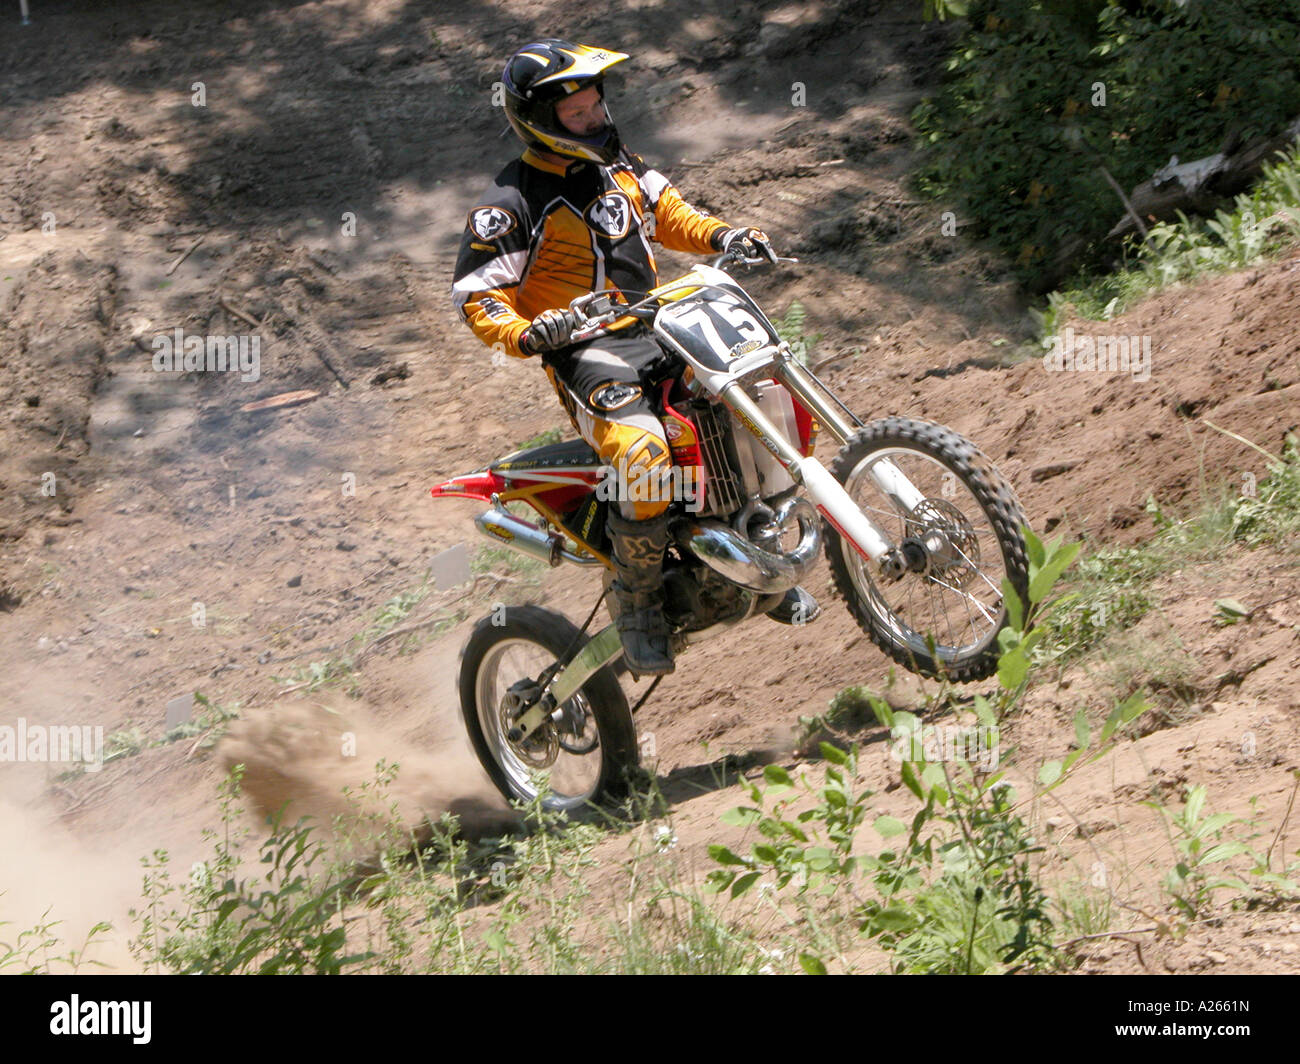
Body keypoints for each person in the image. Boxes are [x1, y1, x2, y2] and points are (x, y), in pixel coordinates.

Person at [451, 38, 802, 676]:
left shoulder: (621, 165)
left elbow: (669, 214)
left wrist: (727, 234)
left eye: (594, 107)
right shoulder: (509, 203)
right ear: (538, 118)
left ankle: (755, 552)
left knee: (754, 401)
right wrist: (531, 333)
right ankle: (637, 599)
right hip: (587, 352)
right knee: (643, 454)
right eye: (576, 115)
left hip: (661, 324)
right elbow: (478, 297)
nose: (594, 120)